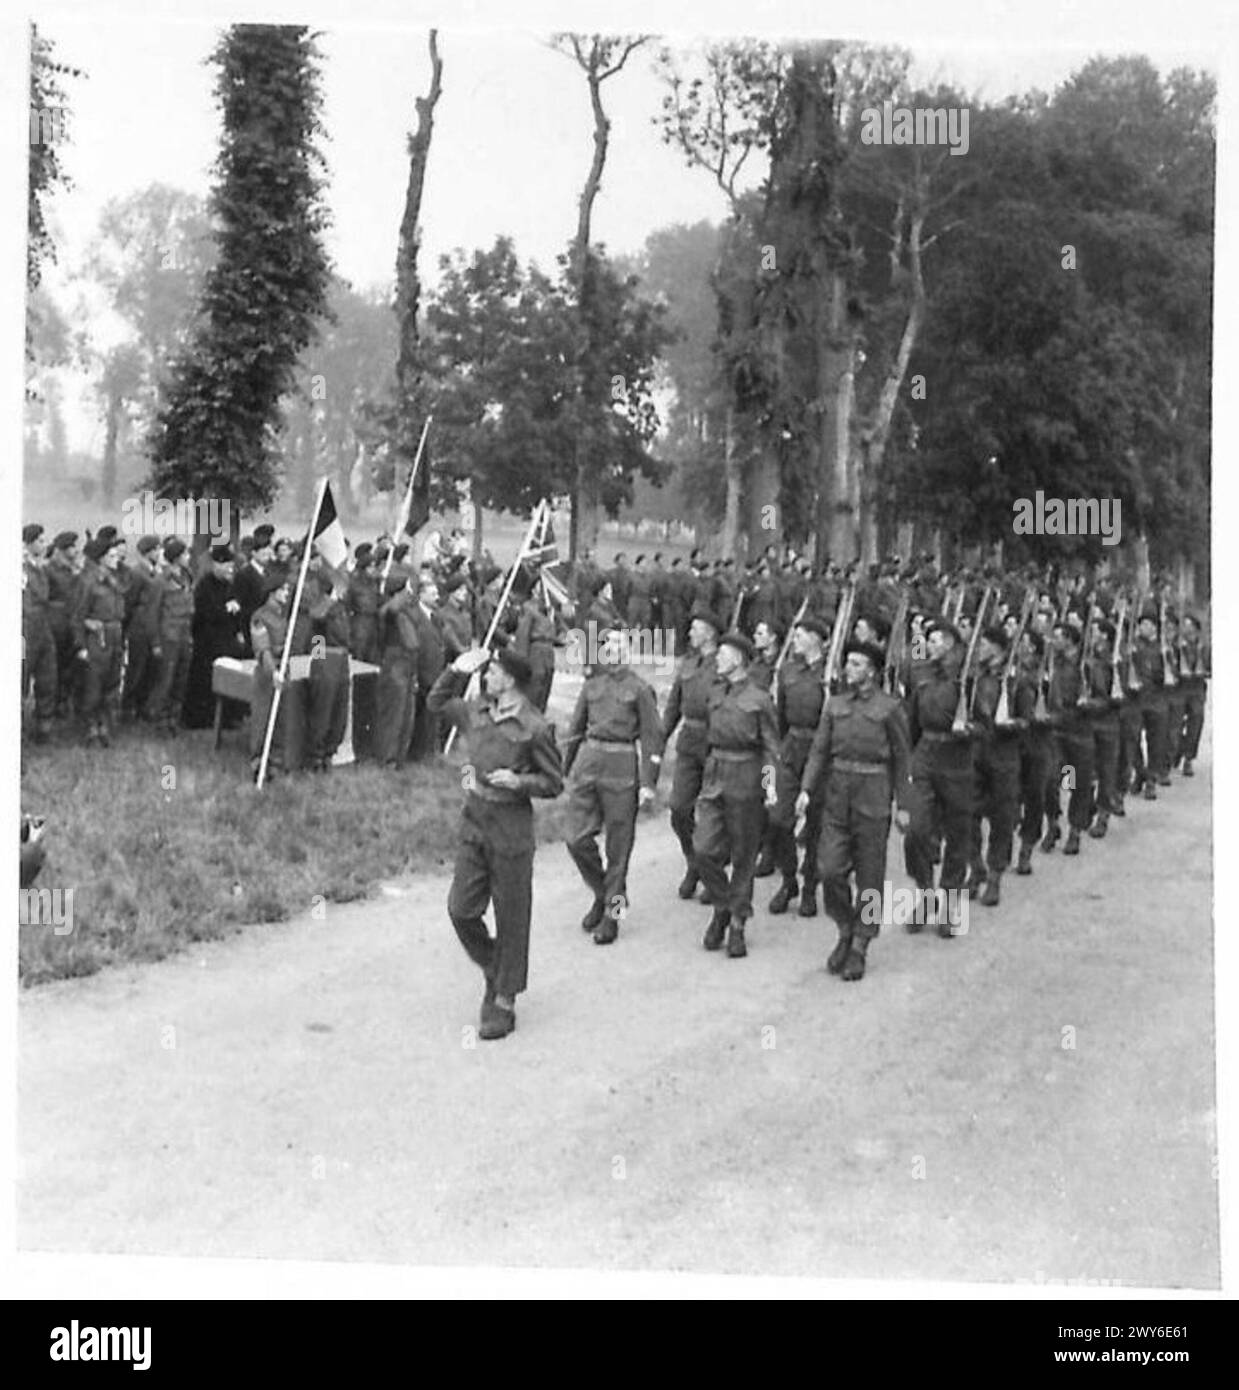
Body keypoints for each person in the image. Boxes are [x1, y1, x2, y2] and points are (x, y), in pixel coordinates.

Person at [427, 646, 564, 1041]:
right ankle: (494, 965)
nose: (486, 678)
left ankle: (504, 999)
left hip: (511, 825)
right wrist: (455, 669)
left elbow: (555, 782)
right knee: (461, 910)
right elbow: (436, 702)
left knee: (511, 914)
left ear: (510, 681)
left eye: (492, 672)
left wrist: (521, 782)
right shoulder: (476, 712)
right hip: (475, 819)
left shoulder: (535, 727)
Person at [797, 638, 911, 980]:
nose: (850, 669)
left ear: (873, 672)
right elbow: (819, 750)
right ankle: (846, 927)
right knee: (829, 869)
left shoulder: (889, 708)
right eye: (848, 663)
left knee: (870, 877)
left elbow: (904, 758)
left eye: (858, 664)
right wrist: (805, 789)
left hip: (874, 796)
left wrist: (904, 804)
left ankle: (861, 943)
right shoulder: (834, 705)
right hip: (837, 795)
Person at [562, 626, 662, 945]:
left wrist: (648, 782)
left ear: (629, 650)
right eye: (608, 645)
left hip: (621, 766)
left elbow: (651, 737)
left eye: (620, 644)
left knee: (619, 847)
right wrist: (563, 770)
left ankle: (613, 913)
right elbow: (575, 730)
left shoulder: (640, 689)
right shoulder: (592, 686)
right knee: (576, 839)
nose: (613, 650)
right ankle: (604, 892)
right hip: (589, 762)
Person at [694, 631, 780, 958]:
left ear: (739, 660)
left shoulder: (760, 699)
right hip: (715, 775)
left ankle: (737, 924)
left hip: (746, 777)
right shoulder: (715, 693)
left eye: (724, 654)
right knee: (703, 848)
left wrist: (770, 784)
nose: (717, 657)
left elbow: (772, 750)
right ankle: (723, 905)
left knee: (744, 855)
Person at [662, 603, 724, 900]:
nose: (690, 633)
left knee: (713, 813)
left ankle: (712, 870)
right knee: (678, 809)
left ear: (710, 634)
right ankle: (694, 861)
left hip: (715, 745)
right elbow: (673, 706)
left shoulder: (723, 664)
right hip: (689, 742)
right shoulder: (687, 664)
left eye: (696, 628)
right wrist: (657, 743)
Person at [767, 615, 828, 916]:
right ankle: (789, 879)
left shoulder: (832, 675)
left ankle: (809, 887)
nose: (795, 640)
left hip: (820, 754)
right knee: (776, 818)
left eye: (802, 635)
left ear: (817, 639)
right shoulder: (787, 671)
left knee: (816, 825)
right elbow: (780, 717)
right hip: (791, 749)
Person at [71, 534, 126, 747]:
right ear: (101, 558)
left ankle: (104, 725)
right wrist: (81, 645)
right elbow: (77, 616)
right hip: (97, 638)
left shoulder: (113, 580)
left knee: (111, 683)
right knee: (94, 685)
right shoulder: (87, 582)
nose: (117, 559)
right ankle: (90, 729)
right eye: (111, 555)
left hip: (114, 635)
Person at [143, 537, 196, 735]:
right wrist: (155, 641)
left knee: (181, 679)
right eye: (185, 554)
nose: (188, 557)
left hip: (184, 634)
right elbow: (152, 612)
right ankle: (160, 719)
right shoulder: (161, 580)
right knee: (166, 679)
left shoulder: (187, 576)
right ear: (176, 557)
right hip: (168, 635)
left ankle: (174, 718)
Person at [21, 524, 57, 743]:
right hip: (25, 630)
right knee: (21, 679)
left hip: (43, 627)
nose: (44, 545)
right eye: (41, 541)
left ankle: (44, 727)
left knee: (48, 678)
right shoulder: (21, 568)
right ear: (30, 542)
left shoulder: (42, 568)